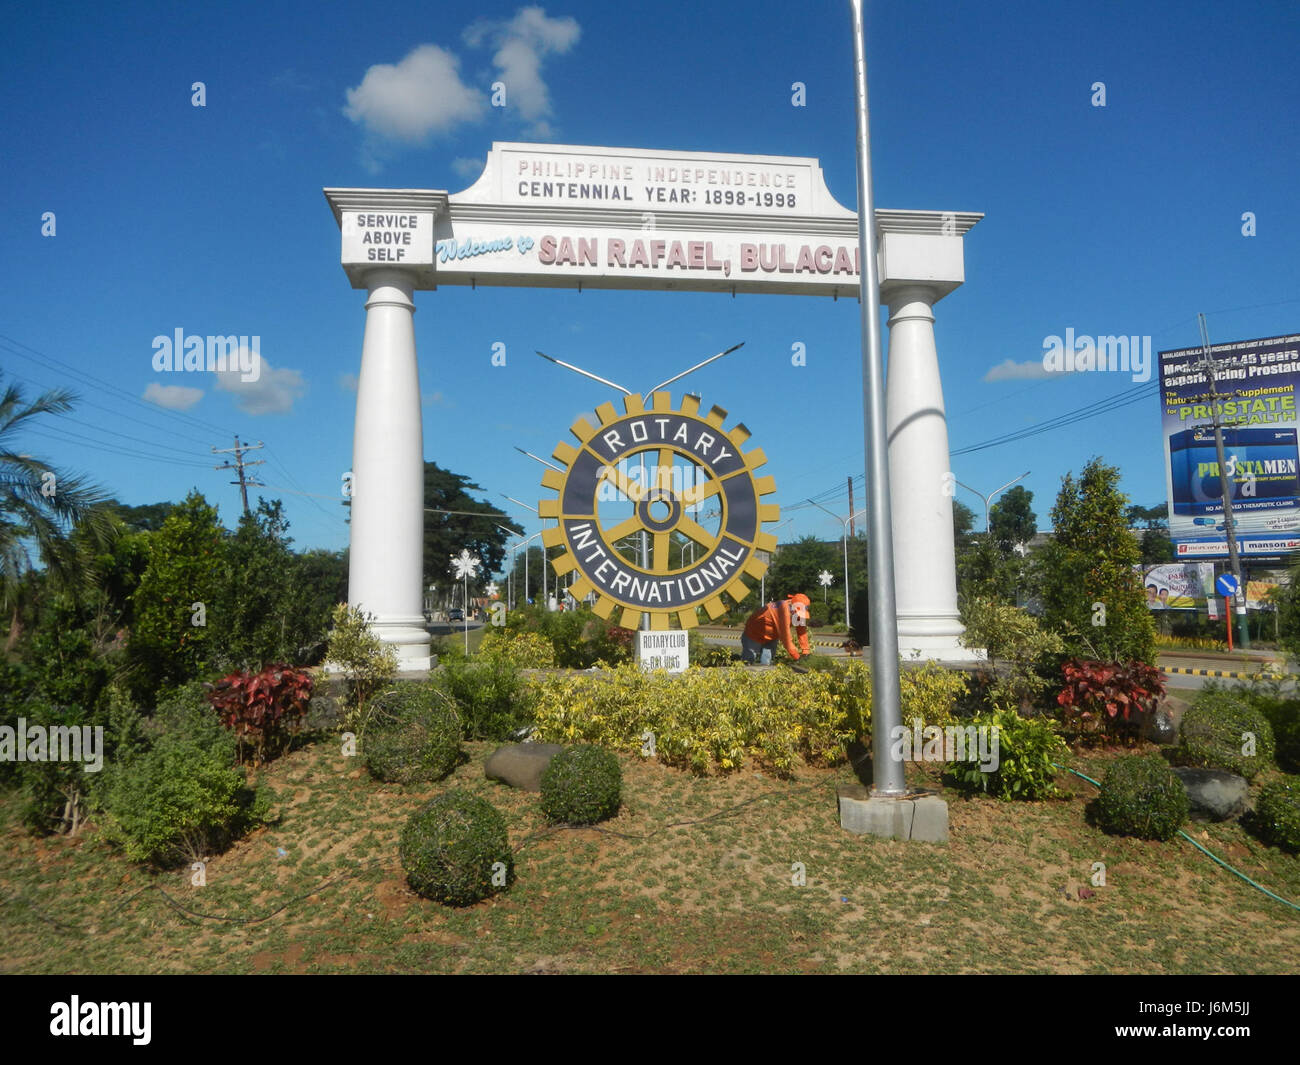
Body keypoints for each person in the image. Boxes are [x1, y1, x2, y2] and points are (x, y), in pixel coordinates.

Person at [742, 593, 812, 664]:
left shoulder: (796, 610)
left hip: (771, 637)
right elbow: (785, 637)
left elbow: (801, 631)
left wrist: (806, 651)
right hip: (753, 634)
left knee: (767, 662)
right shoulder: (782, 610)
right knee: (748, 660)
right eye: (797, 612)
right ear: (792, 605)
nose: (798, 615)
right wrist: (797, 657)